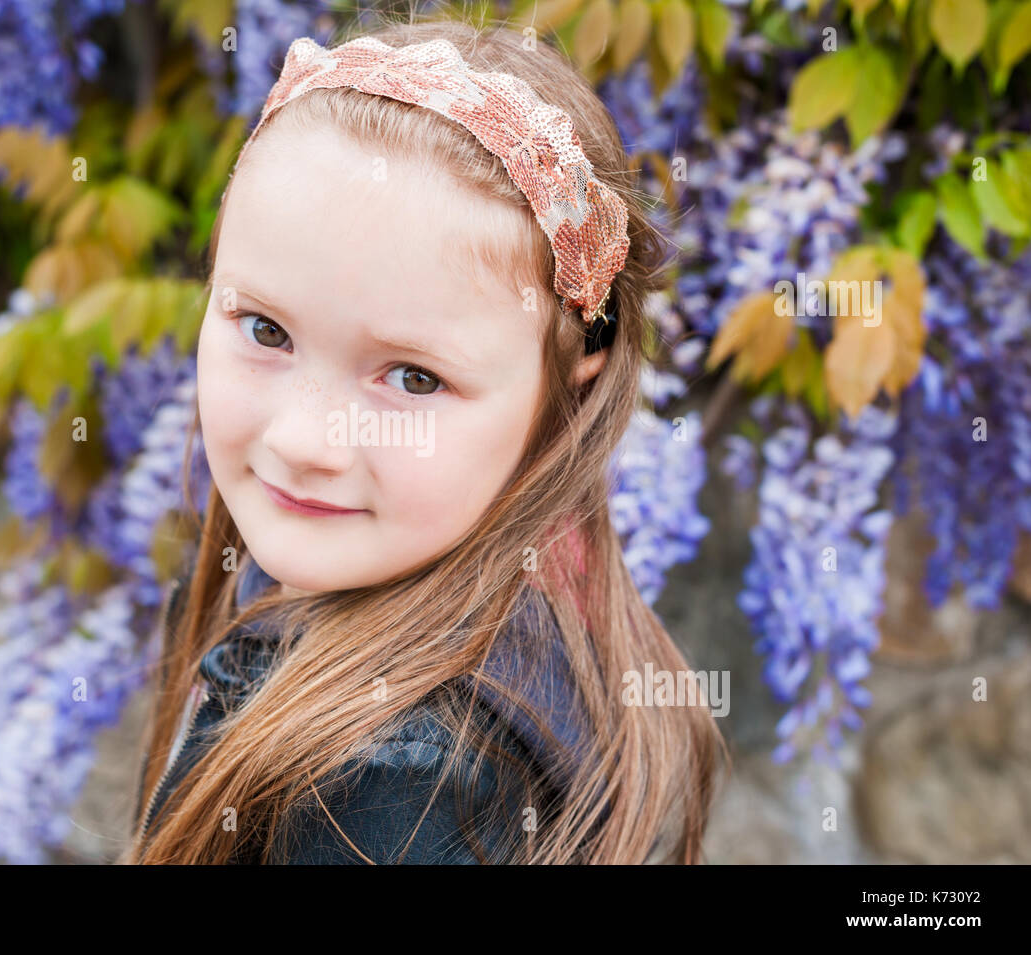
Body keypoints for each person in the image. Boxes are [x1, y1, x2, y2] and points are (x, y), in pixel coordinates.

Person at [123, 13, 728, 865]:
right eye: (264, 329)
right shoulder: (336, 572)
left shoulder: (392, 794)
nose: (304, 440)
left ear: (576, 363)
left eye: (412, 378)